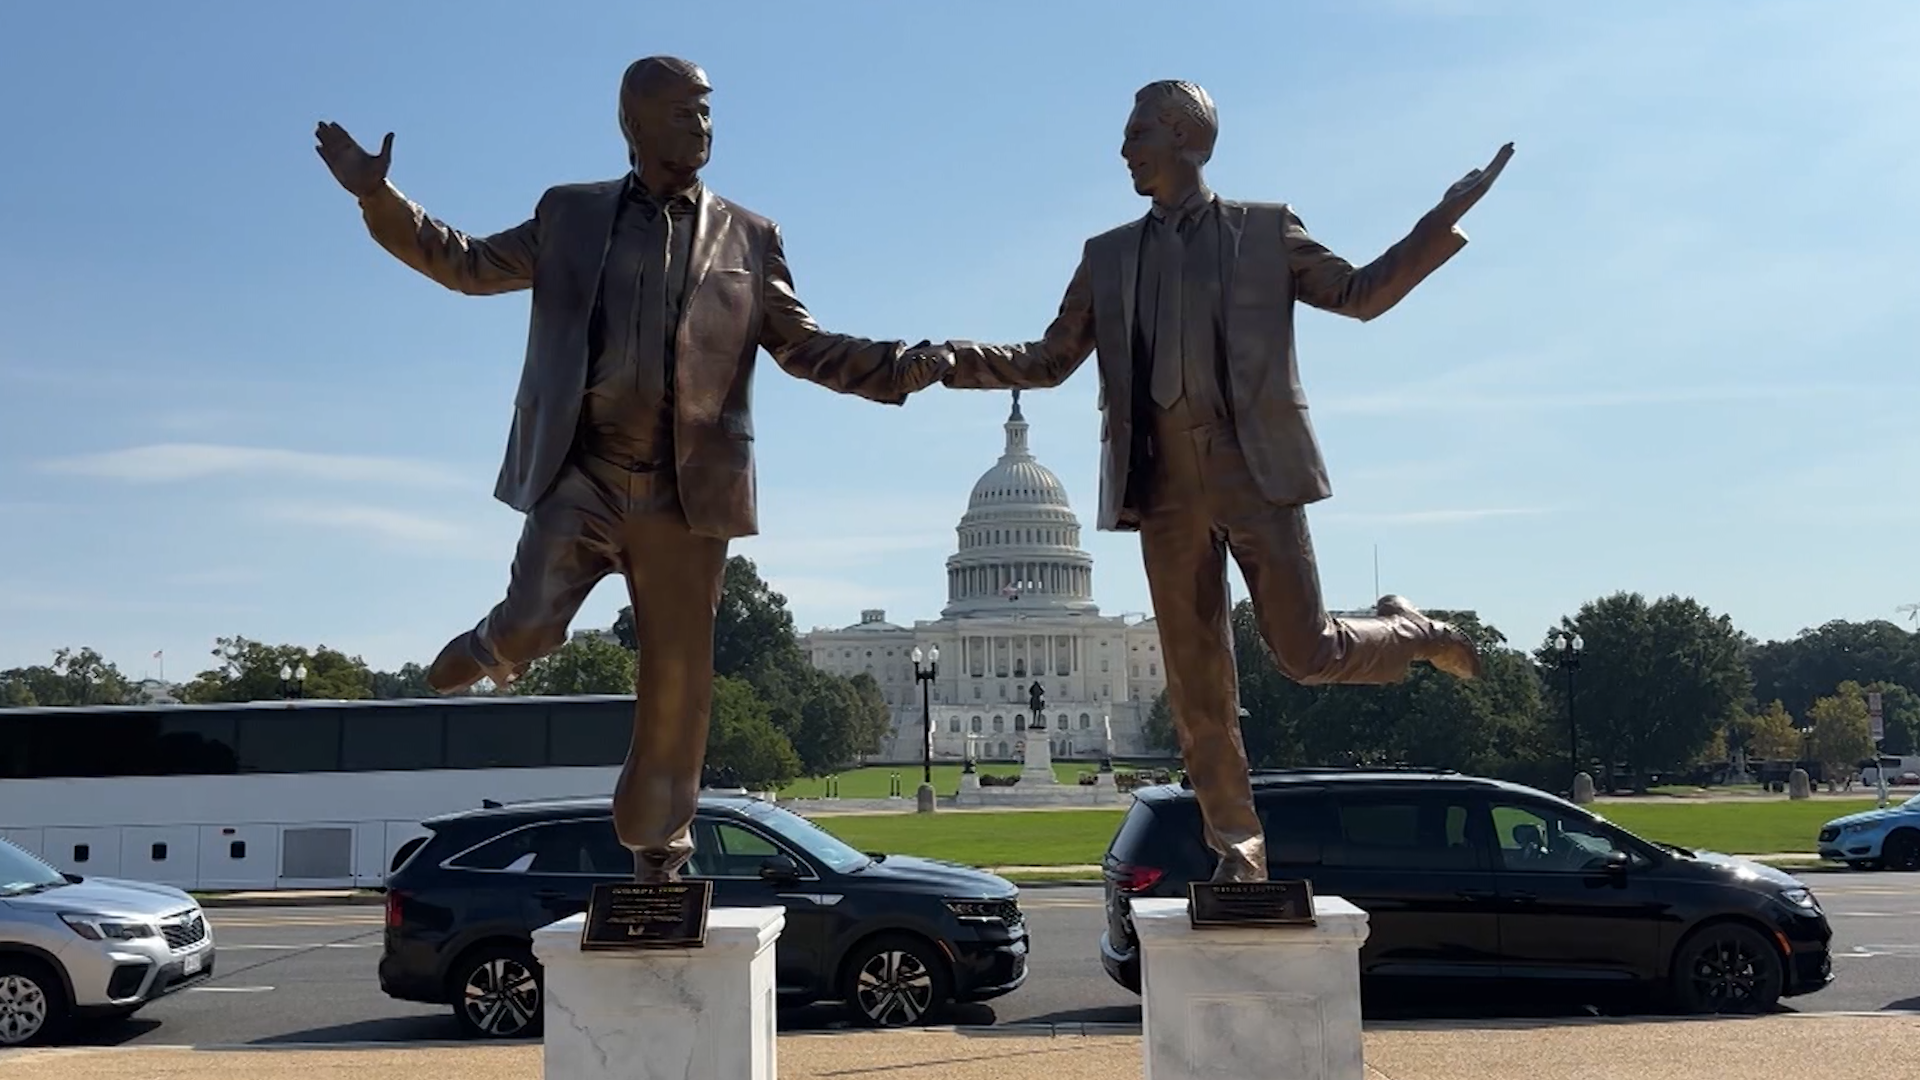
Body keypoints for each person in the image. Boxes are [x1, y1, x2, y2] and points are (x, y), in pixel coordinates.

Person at [313, 56, 946, 882]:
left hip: (688, 493)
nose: (703, 126)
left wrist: (896, 366)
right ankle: (490, 644)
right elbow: (463, 263)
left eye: (709, 113)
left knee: (679, 681)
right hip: (584, 472)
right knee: (535, 623)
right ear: (636, 124)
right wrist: (377, 196)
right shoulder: (569, 214)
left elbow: (802, 345)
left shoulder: (750, 236)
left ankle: (659, 849)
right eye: (686, 112)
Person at [914, 79, 1513, 883]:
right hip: (1162, 486)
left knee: (1303, 653)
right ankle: (1240, 850)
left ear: (1187, 139)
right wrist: (952, 360)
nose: (1125, 151)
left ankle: (1410, 631)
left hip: (1254, 469)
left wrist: (1439, 223)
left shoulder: (1263, 231)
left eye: (1138, 135)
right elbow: (1048, 360)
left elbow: (1361, 295)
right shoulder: (1108, 255)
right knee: (1200, 692)